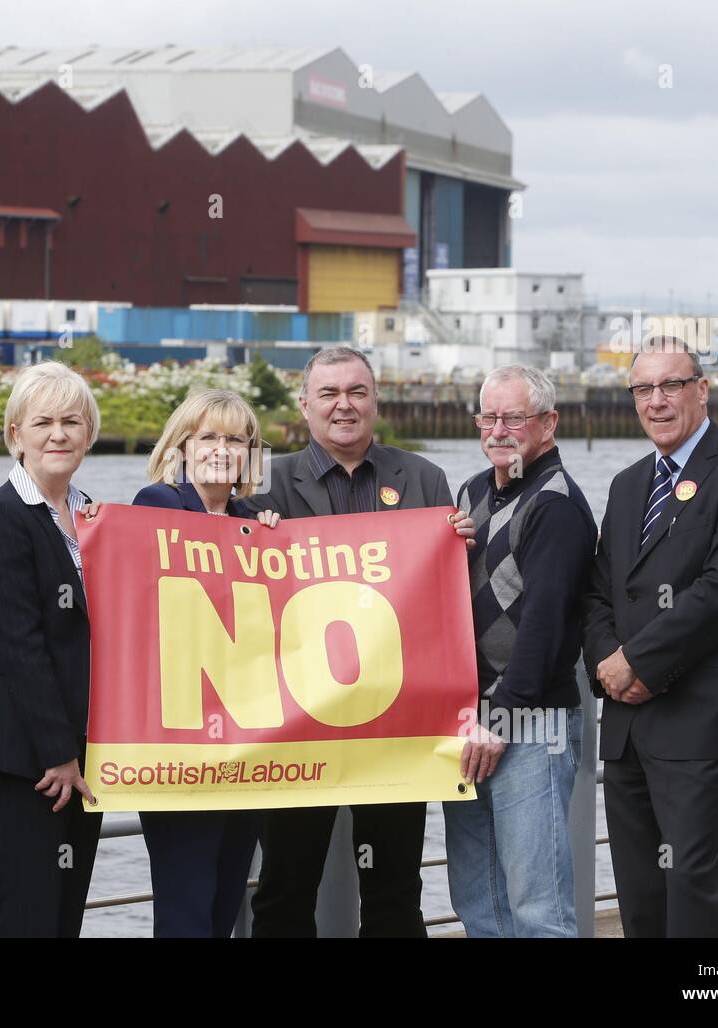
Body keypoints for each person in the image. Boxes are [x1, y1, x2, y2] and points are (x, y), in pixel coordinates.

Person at [244, 344, 482, 938]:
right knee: (284, 889)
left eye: (356, 392)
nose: (343, 406)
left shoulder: (424, 478)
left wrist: (456, 546)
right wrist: (247, 536)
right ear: (304, 405)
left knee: (396, 890)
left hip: (395, 721)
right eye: (328, 394)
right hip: (294, 726)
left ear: (375, 401)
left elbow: (445, 602)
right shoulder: (265, 485)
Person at [583, 339, 718, 938]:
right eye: (643, 389)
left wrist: (639, 663)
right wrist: (607, 665)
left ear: (702, 389)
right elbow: (597, 592)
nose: (657, 401)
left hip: (696, 710)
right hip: (625, 716)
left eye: (671, 385)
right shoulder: (627, 484)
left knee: (692, 879)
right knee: (638, 883)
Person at [444, 365, 595, 937]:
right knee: (478, 898)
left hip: (530, 723)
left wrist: (500, 717)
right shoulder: (473, 492)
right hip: (471, 719)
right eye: (489, 416)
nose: (499, 429)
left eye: (515, 417)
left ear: (549, 423)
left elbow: (546, 625)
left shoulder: (556, 505)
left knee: (538, 906)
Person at [127, 388, 282, 938]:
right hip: (179, 740)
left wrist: (269, 543)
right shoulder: (157, 505)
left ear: (249, 452)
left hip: (244, 745)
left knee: (223, 900)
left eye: (235, 439)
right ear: (183, 445)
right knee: (186, 903)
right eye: (208, 436)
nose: (222, 448)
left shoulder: (253, 520)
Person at [0, 361, 104, 937]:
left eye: (72, 421)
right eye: (42, 421)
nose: (59, 434)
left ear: (89, 433)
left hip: (82, 757)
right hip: (29, 762)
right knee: (25, 917)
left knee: (65, 914)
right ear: (15, 435)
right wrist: (57, 753)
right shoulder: (1, 517)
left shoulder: (93, 514)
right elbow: (17, 645)